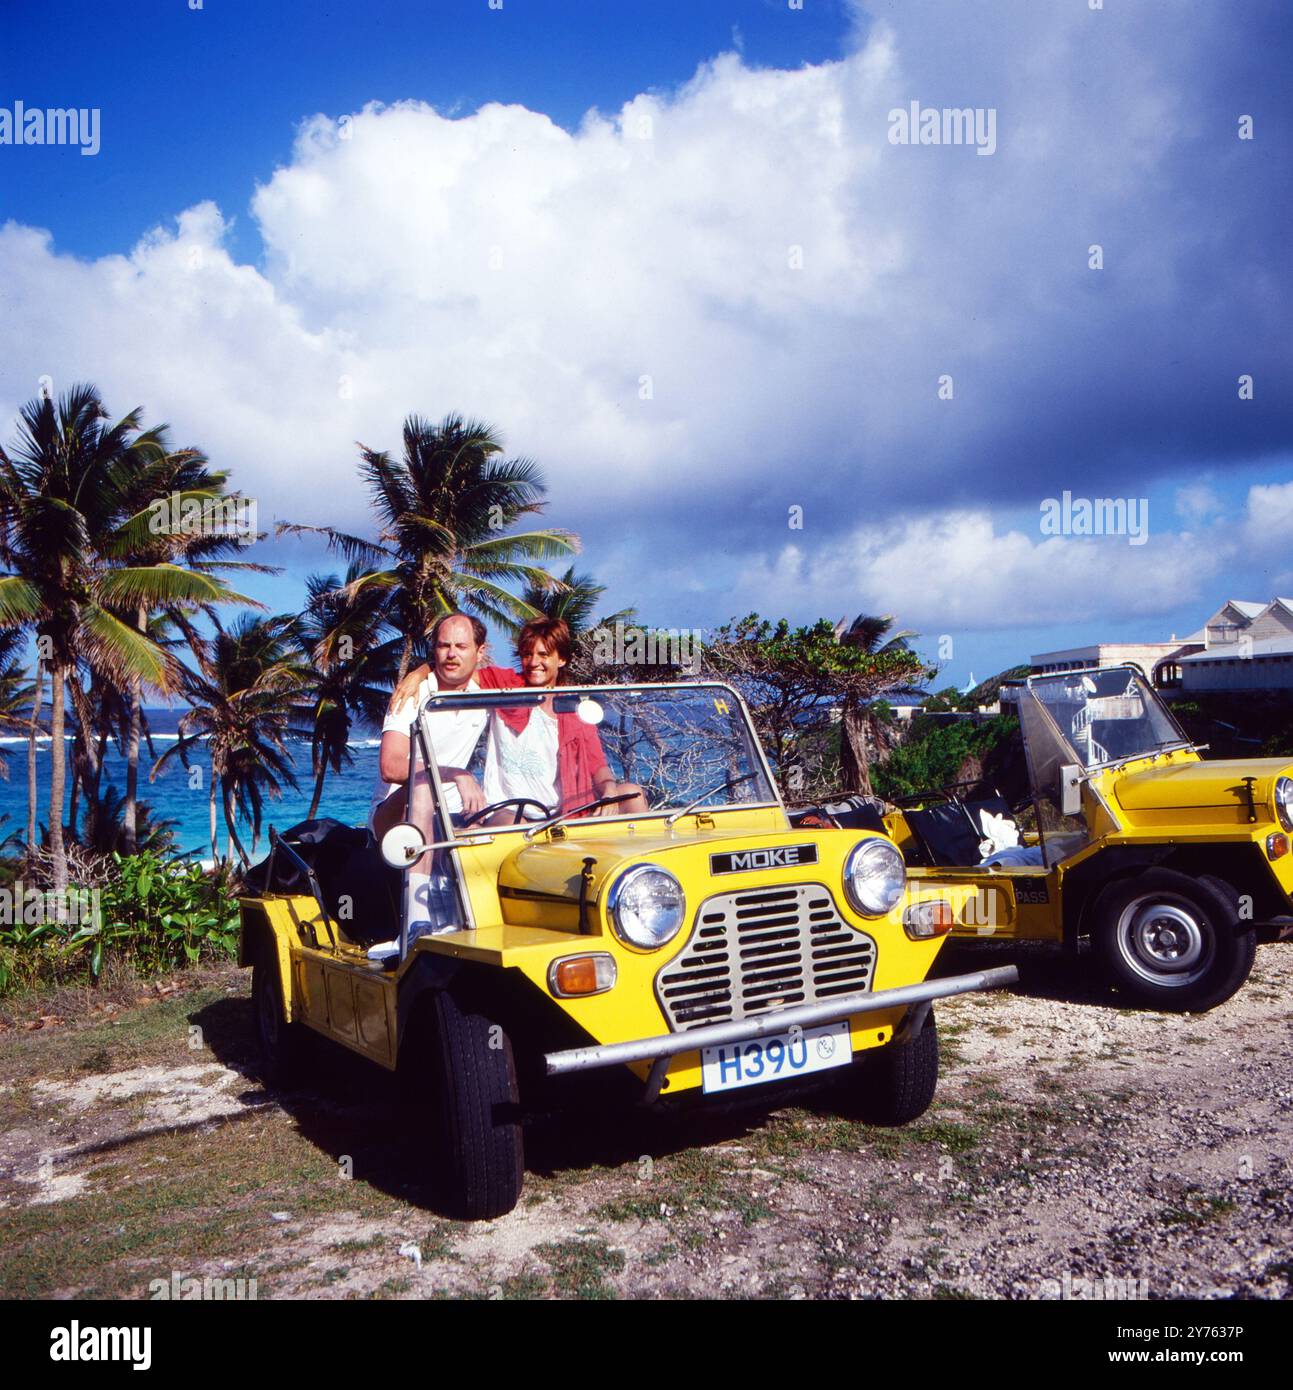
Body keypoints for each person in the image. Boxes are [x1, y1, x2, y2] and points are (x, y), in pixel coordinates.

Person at [370, 612, 517, 939]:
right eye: (443, 646)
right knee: (424, 786)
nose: (451, 654)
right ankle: (415, 920)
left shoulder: (485, 690)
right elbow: (391, 766)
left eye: (461, 646)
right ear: (433, 650)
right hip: (394, 816)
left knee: (514, 817)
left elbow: (541, 681)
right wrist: (456, 773)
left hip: (451, 818)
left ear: (480, 652)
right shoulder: (412, 695)